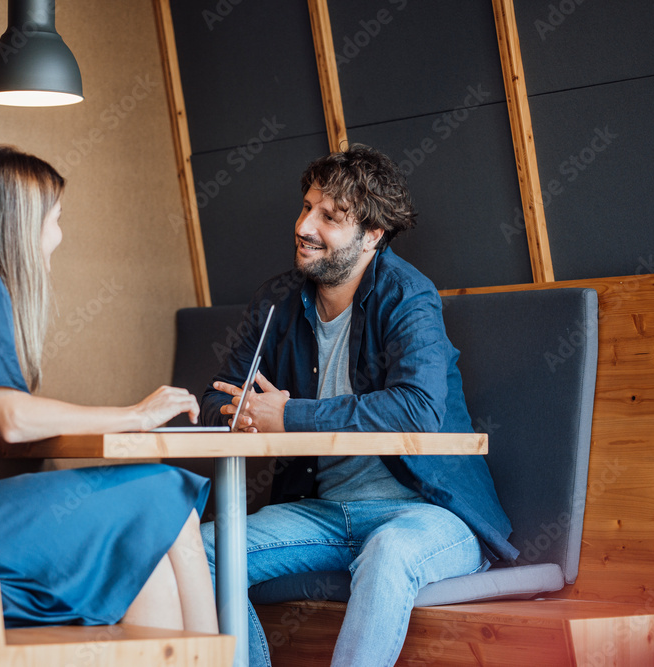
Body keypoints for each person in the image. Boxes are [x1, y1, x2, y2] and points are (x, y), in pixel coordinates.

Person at [200, 144, 517, 665]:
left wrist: (289, 416)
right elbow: (217, 395)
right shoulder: (277, 301)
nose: (305, 226)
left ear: (373, 235)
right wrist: (241, 415)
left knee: (388, 551)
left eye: (330, 217)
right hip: (324, 514)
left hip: (428, 511)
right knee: (197, 552)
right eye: (307, 208)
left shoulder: (407, 295)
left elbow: (416, 409)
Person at [0, 144, 217, 633]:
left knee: (144, 564)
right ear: (22, 223)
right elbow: (15, 418)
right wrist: (136, 414)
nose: (59, 235)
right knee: (167, 490)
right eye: (56, 219)